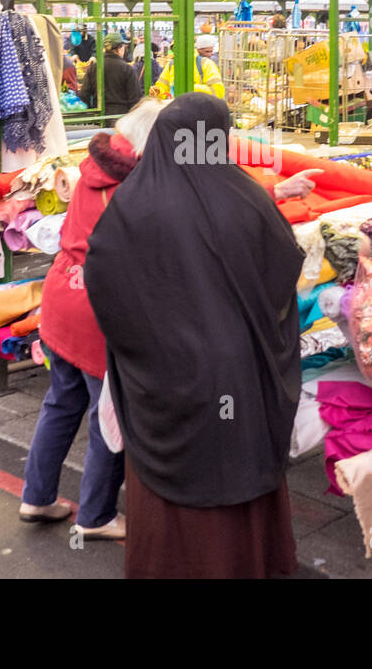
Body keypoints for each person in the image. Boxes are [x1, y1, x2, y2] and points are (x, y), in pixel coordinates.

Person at [84, 94, 304, 579]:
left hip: (160, 381)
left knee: (167, 504)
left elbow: (101, 277)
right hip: (237, 373)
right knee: (236, 475)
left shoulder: (133, 203)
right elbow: (284, 265)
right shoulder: (243, 196)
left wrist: (143, 344)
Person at [18, 99, 167, 540]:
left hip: (63, 292)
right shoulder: (139, 183)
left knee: (62, 402)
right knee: (110, 413)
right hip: (98, 309)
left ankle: (37, 496)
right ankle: (97, 515)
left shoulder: (90, 169)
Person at [80, 33, 142, 116]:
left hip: (99, 117)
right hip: (120, 118)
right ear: (119, 48)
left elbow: (84, 95)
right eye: (124, 46)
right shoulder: (127, 69)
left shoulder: (94, 68)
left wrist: (91, 113)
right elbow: (135, 98)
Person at [151, 36, 225, 98]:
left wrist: (190, 88)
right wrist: (158, 91)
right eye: (175, 48)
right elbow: (163, 87)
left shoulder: (206, 64)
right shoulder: (171, 65)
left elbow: (218, 91)